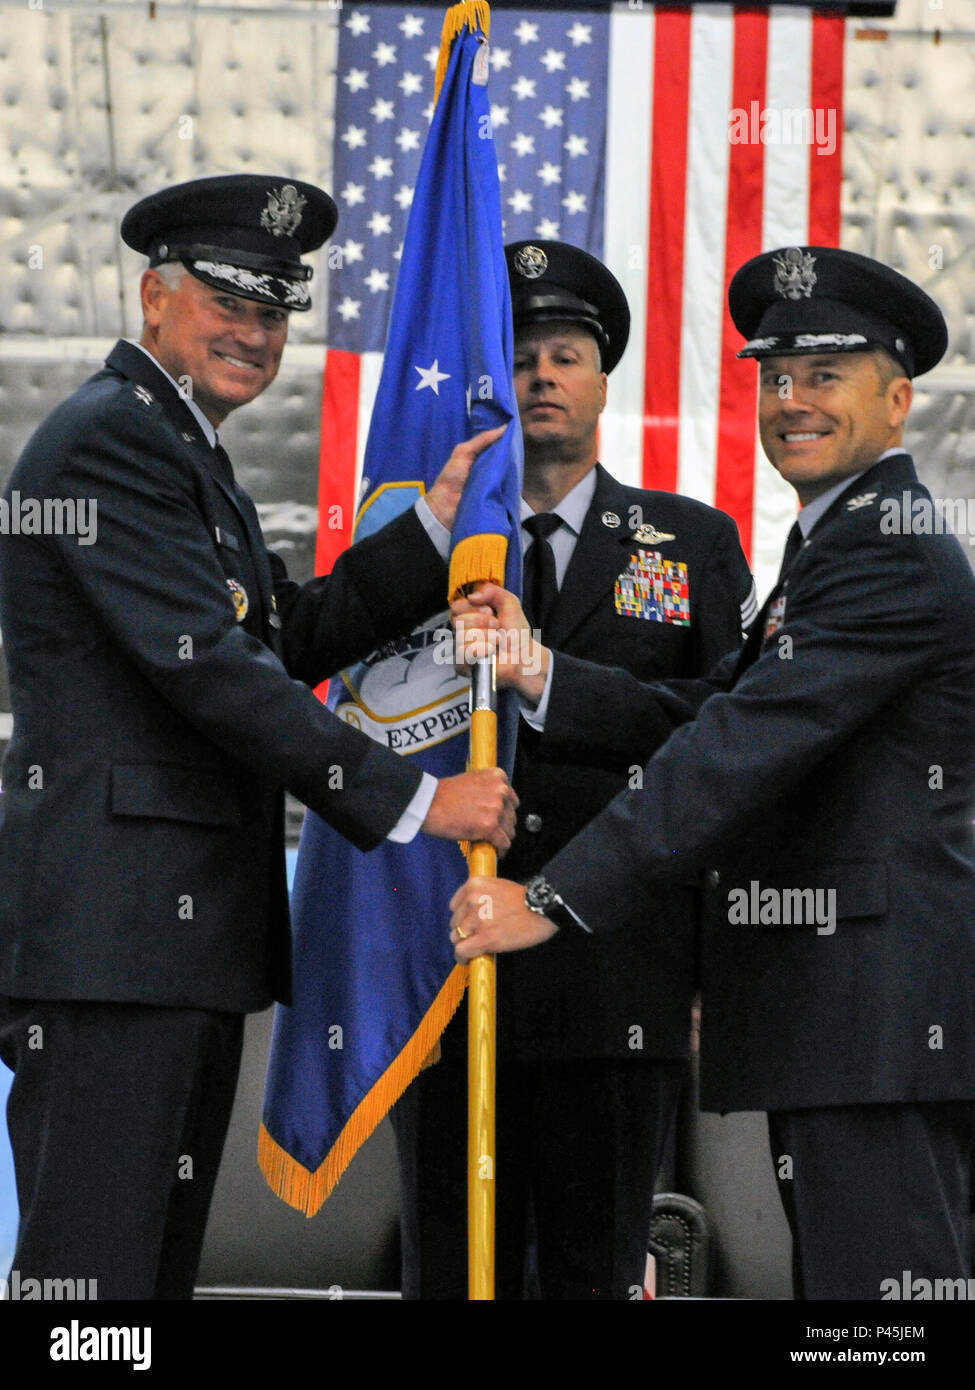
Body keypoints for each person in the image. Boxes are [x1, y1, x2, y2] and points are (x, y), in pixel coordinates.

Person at [0, 174, 517, 1301]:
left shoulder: (179, 448)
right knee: (90, 1277)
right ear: (153, 297)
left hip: (162, 943)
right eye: (228, 302)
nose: (254, 333)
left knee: (145, 1274)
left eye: (275, 312)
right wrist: (423, 805)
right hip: (113, 943)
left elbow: (280, 633)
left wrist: (432, 529)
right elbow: (219, 674)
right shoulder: (112, 446)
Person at [450, 245, 975, 1301]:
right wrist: (543, 670)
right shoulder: (836, 543)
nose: (792, 401)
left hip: (877, 1022)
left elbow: (735, 752)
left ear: (899, 397)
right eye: (775, 376)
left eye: (825, 375)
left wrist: (550, 900)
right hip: (846, 1024)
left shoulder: (889, 552)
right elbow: (716, 713)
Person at [392, 240, 755, 1300]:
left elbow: (724, 735)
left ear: (604, 380)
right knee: (456, 1275)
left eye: (565, 353)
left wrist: (552, 679)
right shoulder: (428, 548)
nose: (541, 374)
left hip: (615, 980)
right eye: (519, 355)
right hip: (446, 976)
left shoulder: (687, 544)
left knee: (598, 1272)